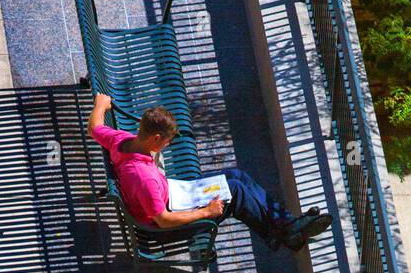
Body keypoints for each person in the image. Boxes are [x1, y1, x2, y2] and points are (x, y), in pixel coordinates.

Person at [88, 95, 333, 252]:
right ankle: (283, 230)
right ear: (155, 138)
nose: (168, 145)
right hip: (165, 224)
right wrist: (207, 212)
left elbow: (96, 128)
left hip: (174, 194)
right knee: (235, 192)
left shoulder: (122, 140)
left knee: (236, 176)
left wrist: (100, 105)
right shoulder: (145, 178)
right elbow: (162, 221)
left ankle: (286, 225)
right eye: (167, 141)